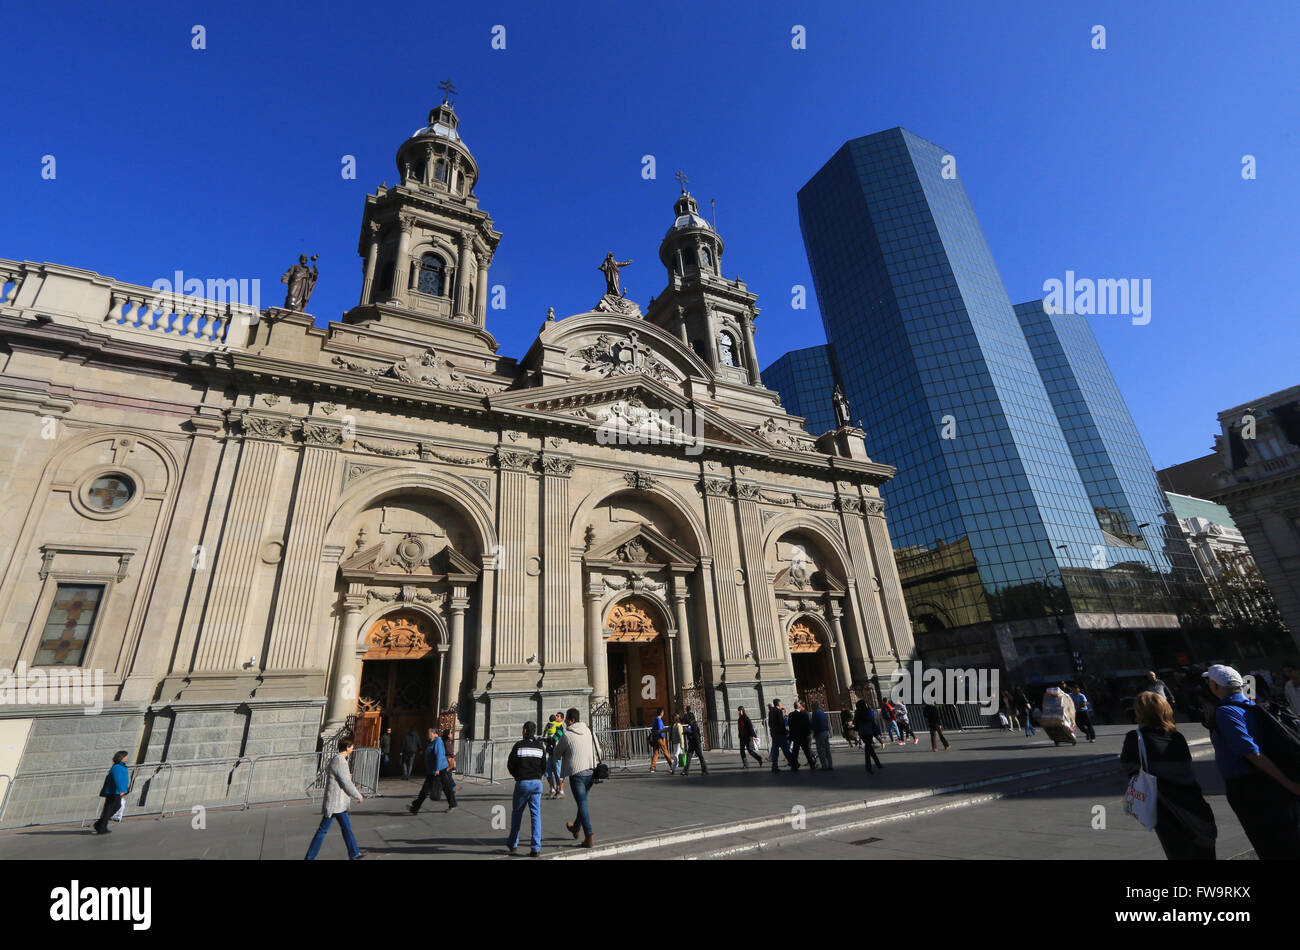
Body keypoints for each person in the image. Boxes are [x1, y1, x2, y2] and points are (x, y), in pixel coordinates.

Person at [1203, 663, 1300, 859]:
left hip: (1251, 788)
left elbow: (1251, 752)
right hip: (1269, 785)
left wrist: (1290, 784)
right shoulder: (1252, 705)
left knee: (1269, 842)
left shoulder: (1226, 712)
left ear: (1214, 686)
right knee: (1287, 837)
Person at [1120, 692, 1217, 860]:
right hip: (1192, 799)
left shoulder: (1135, 738)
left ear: (1140, 713)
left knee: (1178, 850)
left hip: (1164, 805)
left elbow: (1129, 768)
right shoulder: (1177, 736)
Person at [305, 738, 365, 860]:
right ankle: (309, 857)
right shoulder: (340, 761)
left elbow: (341, 778)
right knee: (323, 831)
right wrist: (358, 795)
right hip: (335, 803)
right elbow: (346, 782)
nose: (353, 748)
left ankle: (354, 853)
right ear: (347, 747)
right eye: (352, 746)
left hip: (338, 803)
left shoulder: (338, 759)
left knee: (345, 827)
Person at [556, 707, 602, 848]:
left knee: (582, 804)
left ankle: (589, 835)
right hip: (591, 773)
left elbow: (557, 754)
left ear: (572, 720)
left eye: (567, 721)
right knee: (582, 803)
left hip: (577, 775)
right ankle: (576, 827)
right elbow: (598, 749)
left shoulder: (567, 735)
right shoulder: (588, 730)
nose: (565, 724)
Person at [506, 721, 547, 857]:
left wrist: (517, 776)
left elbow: (510, 764)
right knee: (536, 815)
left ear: (524, 731)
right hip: (536, 783)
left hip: (523, 783)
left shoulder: (519, 746)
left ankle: (513, 843)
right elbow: (543, 766)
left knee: (517, 813)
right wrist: (537, 776)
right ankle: (536, 847)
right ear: (534, 732)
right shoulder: (540, 747)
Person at [407, 726, 457, 814]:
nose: (428, 734)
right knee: (431, 788)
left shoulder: (438, 741)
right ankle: (415, 807)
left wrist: (437, 769)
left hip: (439, 770)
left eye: (429, 733)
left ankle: (415, 807)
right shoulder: (432, 741)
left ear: (434, 733)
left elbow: (439, 755)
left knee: (439, 788)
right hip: (434, 770)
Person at [93, 750, 130, 835]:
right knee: (113, 807)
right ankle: (100, 825)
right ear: (121, 758)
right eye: (125, 756)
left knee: (110, 808)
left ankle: (101, 825)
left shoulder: (121, 766)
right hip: (113, 791)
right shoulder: (116, 767)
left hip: (116, 791)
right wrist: (121, 790)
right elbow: (117, 779)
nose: (126, 758)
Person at [853, 700, 884, 773]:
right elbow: (872, 721)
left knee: (868, 748)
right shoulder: (868, 711)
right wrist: (876, 730)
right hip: (869, 731)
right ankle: (873, 765)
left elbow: (855, 722)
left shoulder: (857, 713)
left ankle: (873, 765)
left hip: (862, 732)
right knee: (868, 747)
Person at [787, 700, 818, 770]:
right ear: (799, 706)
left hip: (795, 736)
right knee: (807, 751)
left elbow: (790, 726)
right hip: (802, 736)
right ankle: (812, 764)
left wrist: (792, 735)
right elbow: (805, 725)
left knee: (795, 752)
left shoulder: (791, 715)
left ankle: (794, 766)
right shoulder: (802, 714)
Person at [767, 700, 796, 772]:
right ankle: (793, 765)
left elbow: (769, 723)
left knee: (775, 752)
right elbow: (781, 723)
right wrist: (785, 733)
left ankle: (774, 767)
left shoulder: (770, 712)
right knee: (786, 750)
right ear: (779, 704)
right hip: (780, 734)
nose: (781, 704)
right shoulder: (779, 711)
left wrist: (772, 732)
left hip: (774, 734)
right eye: (781, 703)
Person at [543, 713, 565, 799]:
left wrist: (548, 740)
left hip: (557, 754)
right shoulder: (551, 726)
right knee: (547, 772)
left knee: (558, 773)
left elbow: (555, 738)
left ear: (561, 719)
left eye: (558, 716)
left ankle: (561, 791)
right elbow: (548, 737)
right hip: (550, 753)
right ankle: (552, 789)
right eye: (556, 715)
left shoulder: (560, 728)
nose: (556, 717)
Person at [682, 706, 709, 775]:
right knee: (689, 756)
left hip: (696, 741)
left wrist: (686, 732)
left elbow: (693, 732)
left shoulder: (693, 724)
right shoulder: (690, 724)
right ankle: (686, 771)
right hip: (692, 741)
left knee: (700, 756)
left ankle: (705, 770)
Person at [649, 707, 675, 773]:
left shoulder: (655, 719)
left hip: (655, 738)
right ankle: (672, 765)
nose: (663, 713)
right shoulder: (659, 720)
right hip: (660, 738)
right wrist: (663, 738)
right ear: (661, 713)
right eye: (663, 712)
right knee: (665, 751)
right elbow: (661, 730)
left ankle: (652, 767)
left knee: (656, 752)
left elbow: (653, 728)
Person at [811, 701, 833, 770]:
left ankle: (824, 765)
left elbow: (814, 724)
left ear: (814, 706)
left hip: (820, 733)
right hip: (826, 732)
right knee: (827, 749)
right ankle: (830, 765)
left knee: (821, 750)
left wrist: (813, 733)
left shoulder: (815, 713)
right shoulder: (822, 712)